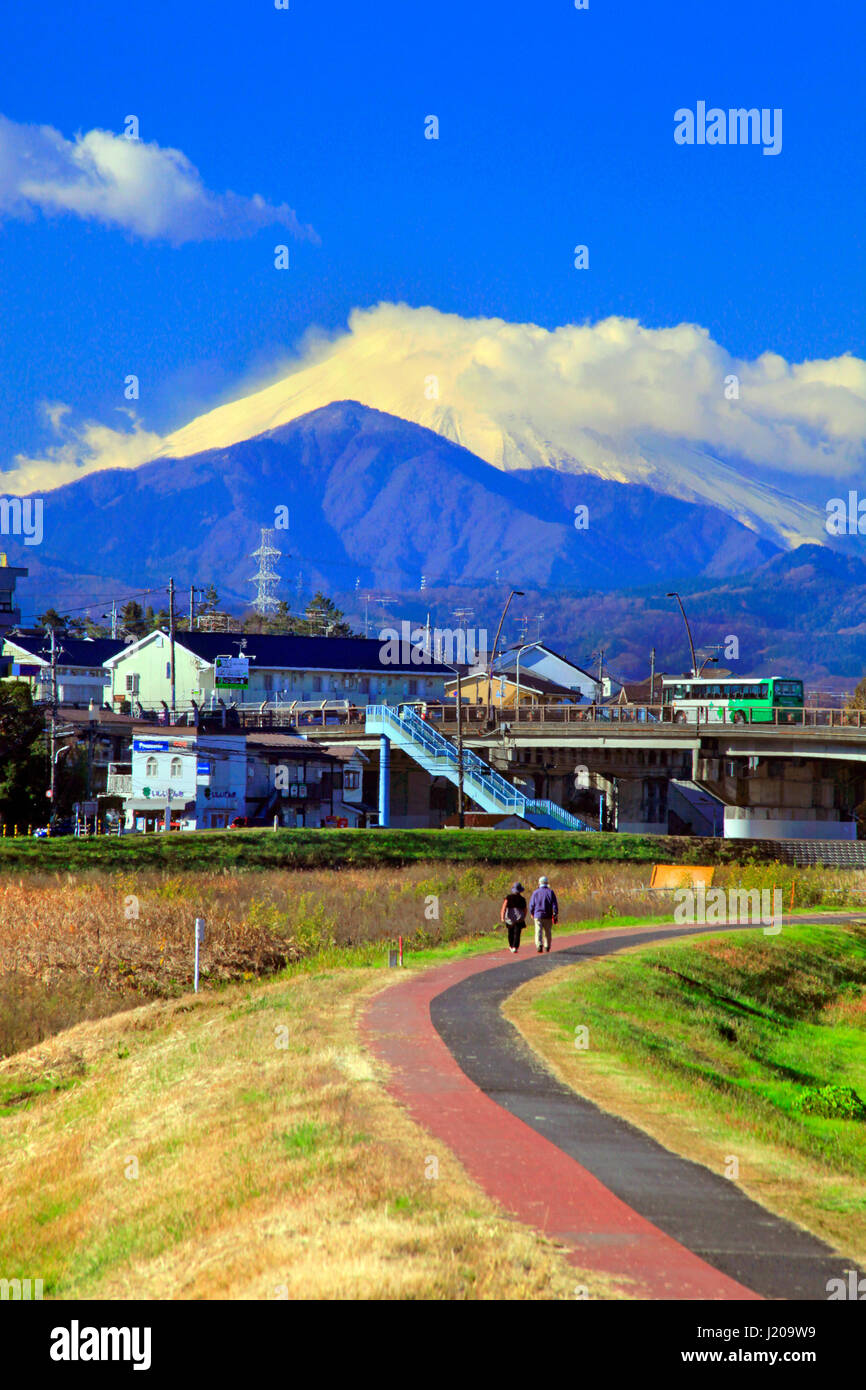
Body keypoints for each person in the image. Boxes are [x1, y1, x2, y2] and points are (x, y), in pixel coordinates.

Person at [529, 875, 559, 953]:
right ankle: (547, 946)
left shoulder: (535, 892)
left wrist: (531, 912)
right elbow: (554, 904)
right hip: (548, 915)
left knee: (538, 931)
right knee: (547, 932)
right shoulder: (550, 892)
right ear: (547, 883)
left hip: (538, 915)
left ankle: (539, 945)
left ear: (539, 883)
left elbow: (531, 904)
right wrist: (555, 913)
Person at [500, 881, 527, 954]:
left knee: (510, 933)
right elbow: (525, 910)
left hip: (509, 919)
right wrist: (523, 917)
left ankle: (512, 946)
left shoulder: (508, 898)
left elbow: (503, 908)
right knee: (517, 933)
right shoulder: (522, 899)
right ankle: (515, 947)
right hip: (519, 919)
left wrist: (502, 917)